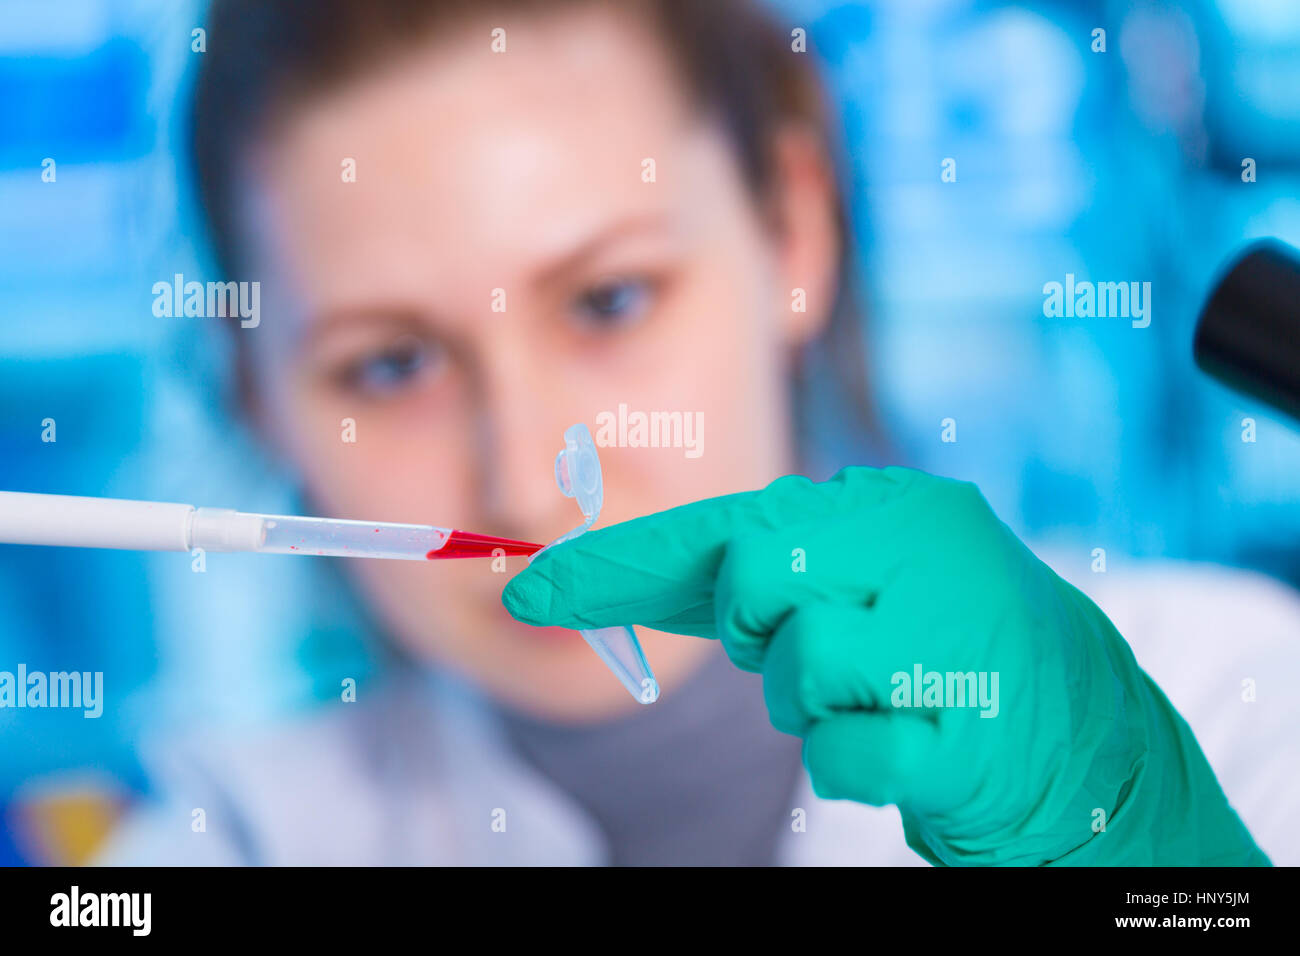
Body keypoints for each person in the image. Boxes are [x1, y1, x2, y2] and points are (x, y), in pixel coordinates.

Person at [98, 0, 1300, 866]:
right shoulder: (216, 845)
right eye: (390, 364)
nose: (523, 484)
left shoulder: (1234, 701)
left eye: (609, 300)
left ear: (792, 232)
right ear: (255, 392)